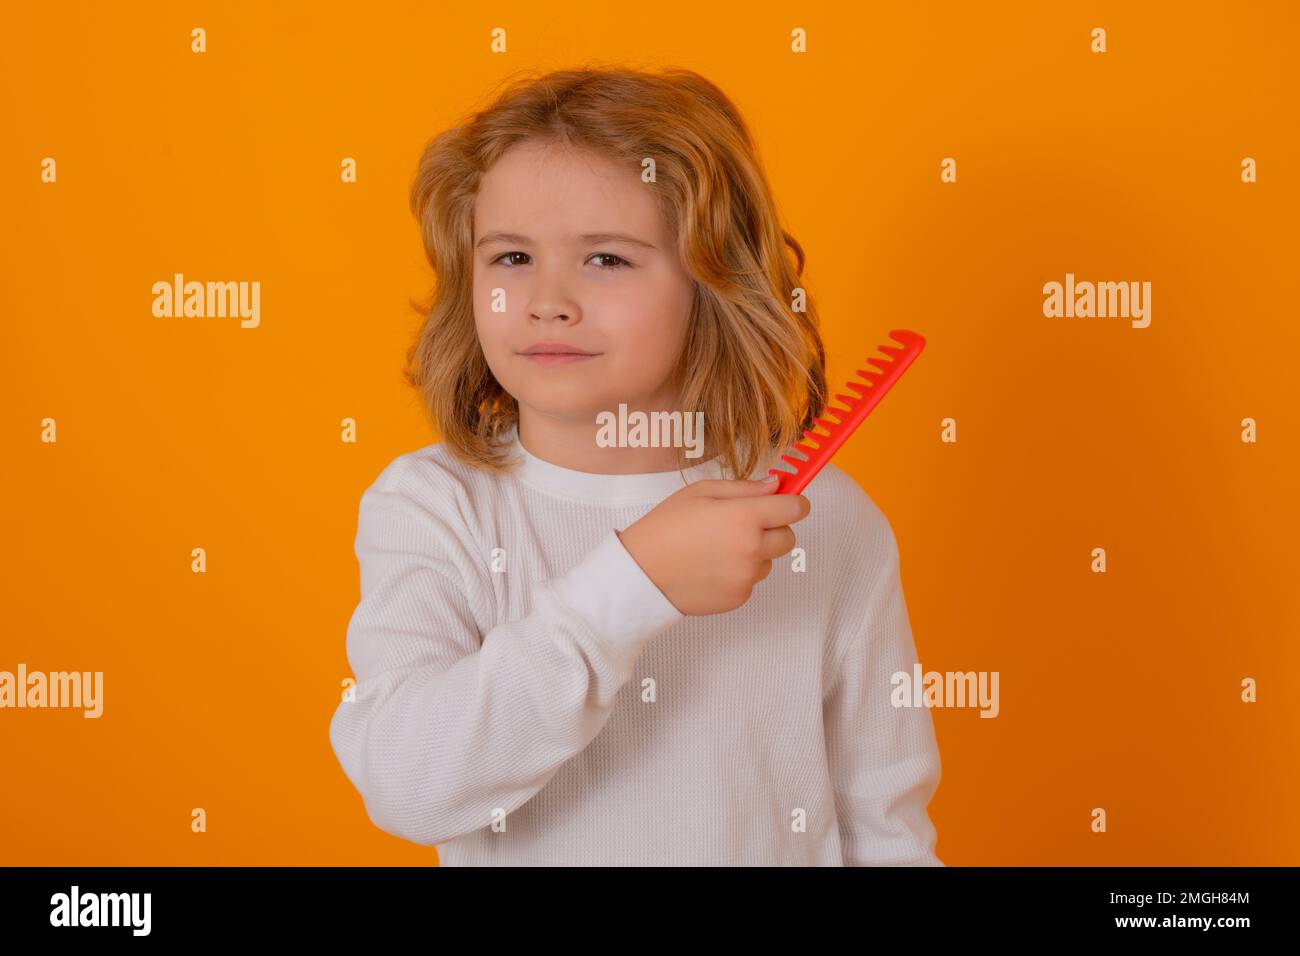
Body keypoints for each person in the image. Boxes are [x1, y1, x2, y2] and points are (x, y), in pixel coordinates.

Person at [328, 66, 942, 866]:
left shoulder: (826, 516)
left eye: (607, 260)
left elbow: (884, 825)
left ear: (714, 279)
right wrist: (633, 583)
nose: (548, 299)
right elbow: (409, 784)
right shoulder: (434, 508)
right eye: (511, 257)